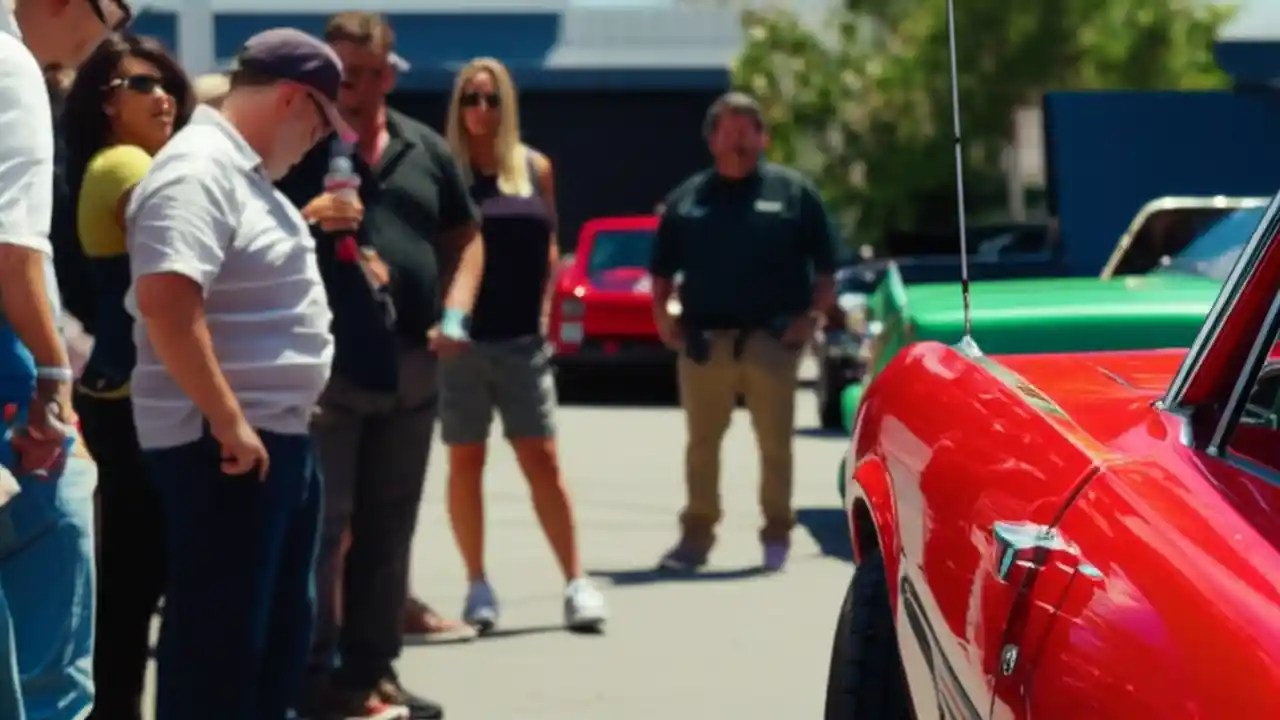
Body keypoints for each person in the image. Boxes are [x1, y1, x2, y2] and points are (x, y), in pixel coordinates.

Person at [125, 27, 353, 720]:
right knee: (220, 655)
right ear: (291, 99)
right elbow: (168, 300)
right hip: (224, 447)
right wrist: (228, 421)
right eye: (320, 122)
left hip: (261, 441)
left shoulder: (241, 174)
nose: (319, 141)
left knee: (268, 652)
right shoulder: (198, 170)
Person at [274, 12, 483, 720]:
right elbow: (248, 230)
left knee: (390, 529)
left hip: (414, 368)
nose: (353, 89)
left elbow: (465, 236)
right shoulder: (298, 144)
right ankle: (309, 681)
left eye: (367, 75)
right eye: (340, 75)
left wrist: (455, 312)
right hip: (325, 372)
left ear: (391, 74)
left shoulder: (426, 149)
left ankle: (372, 673)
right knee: (323, 533)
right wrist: (309, 214)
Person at [438, 56, 606, 634]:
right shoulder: (446, 171)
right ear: (457, 107)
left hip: (521, 341)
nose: (480, 110)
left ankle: (577, 582)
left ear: (507, 106)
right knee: (466, 459)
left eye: (491, 99)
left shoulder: (534, 167)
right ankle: (477, 584)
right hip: (460, 345)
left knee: (543, 459)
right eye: (470, 99)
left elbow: (550, 242)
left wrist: (544, 309)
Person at [0, 0, 131, 718]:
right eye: (112, 13)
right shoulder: (11, 64)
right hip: (16, 393)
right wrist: (56, 379)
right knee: (51, 683)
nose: (112, 36)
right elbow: (14, 248)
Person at [649, 91, 837, 573]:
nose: (738, 144)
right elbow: (662, 269)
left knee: (774, 445)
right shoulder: (688, 199)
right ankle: (696, 538)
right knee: (701, 444)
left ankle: (776, 534)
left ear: (763, 137)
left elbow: (827, 267)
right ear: (711, 140)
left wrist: (810, 319)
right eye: (728, 133)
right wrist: (662, 315)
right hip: (705, 341)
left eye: (747, 132)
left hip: (772, 341)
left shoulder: (793, 193)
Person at [63, 33, 194, 720]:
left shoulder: (139, 163)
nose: (164, 96)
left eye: (169, 83)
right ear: (107, 103)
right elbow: (202, 246)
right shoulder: (123, 166)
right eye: (144, 85)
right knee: (135, 593)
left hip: (133, 402)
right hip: (132, 411)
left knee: (133, 591)